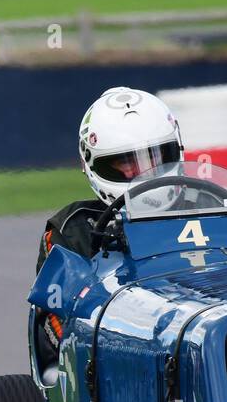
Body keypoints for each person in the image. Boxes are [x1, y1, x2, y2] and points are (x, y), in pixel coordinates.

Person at [35, 86, 184, 275]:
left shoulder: (211, 208)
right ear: (94, 164)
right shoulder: (74, 230)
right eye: (125, 161)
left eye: (154, 156)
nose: (143, 170)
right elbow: (56, 302)